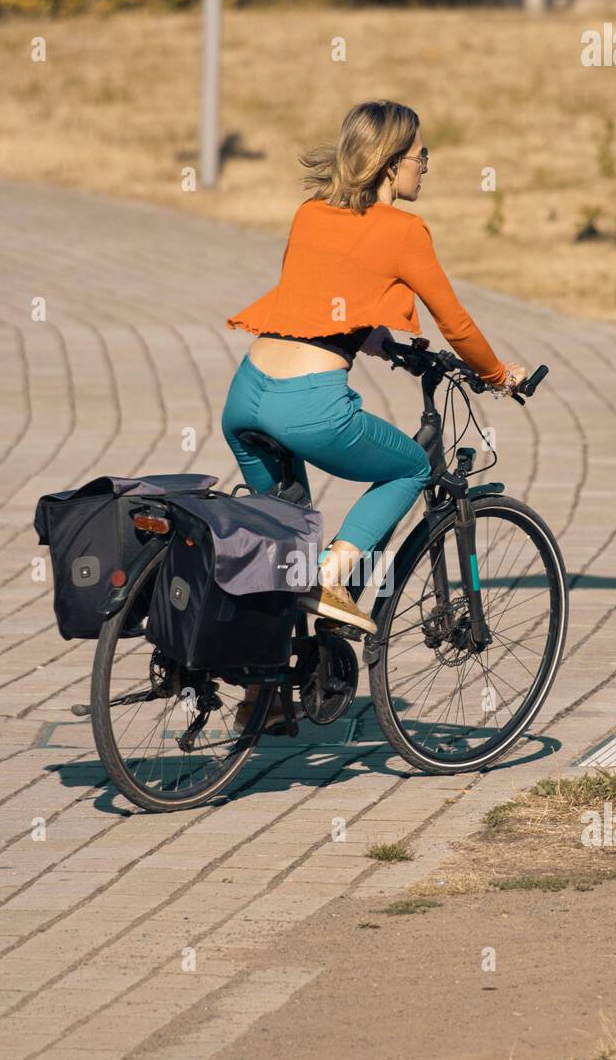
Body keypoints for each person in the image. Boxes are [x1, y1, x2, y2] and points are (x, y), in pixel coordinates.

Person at [222, 99, 526, 728]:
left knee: (285, 542)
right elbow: (457, 323)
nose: (426, 167)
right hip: (309, 407)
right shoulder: (403, 231)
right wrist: (498, 377)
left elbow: (316, 308)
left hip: (245, 397)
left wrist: (388, 346)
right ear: (391, 164)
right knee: (410, 467)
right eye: (420, 155)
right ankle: (334, 582)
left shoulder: (310, 214)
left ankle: (263, 699)